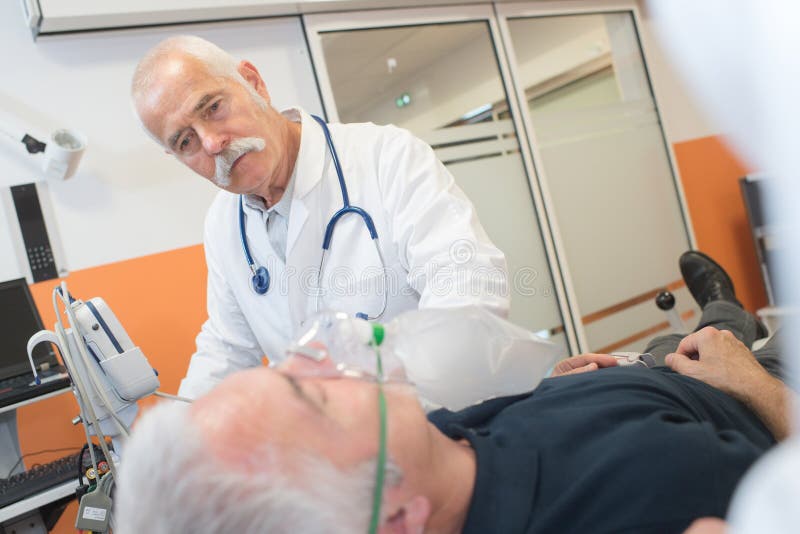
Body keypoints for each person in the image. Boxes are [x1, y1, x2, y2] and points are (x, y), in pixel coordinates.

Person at [115, 251, 792, 533]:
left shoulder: (431, 449)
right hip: (753, 397)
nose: (325, 353)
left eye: (288, 364)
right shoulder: (653, 488)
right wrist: (756, 387)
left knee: (687, 341)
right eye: (314, 394)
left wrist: (551, 395)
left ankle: (722, 312)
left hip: (625, 386)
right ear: (400, 518)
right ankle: (731, 321)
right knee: (722, 342)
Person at [130, 36, 509, 398]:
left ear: (253, 83)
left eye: (213, 107)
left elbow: (467, 289)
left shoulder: (385, 156)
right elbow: (228, 347)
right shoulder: (222, 223)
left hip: (442, 422)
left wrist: (391, 389)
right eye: (186, 141)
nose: (212, 143)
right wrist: (182, 437)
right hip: (343, 450)